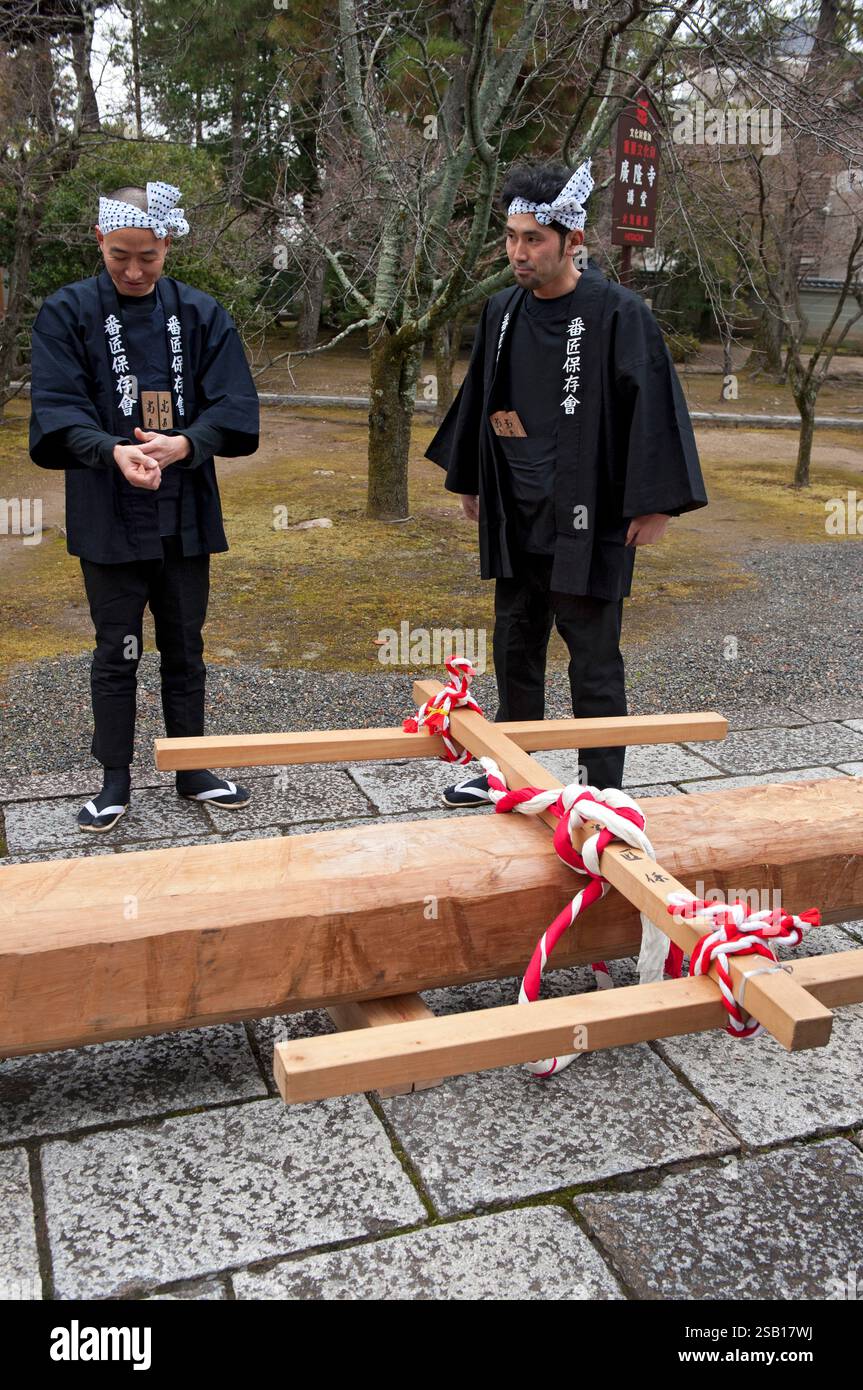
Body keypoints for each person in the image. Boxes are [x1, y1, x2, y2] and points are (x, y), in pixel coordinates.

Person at [425, 160, 708, 807]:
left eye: (533, 239)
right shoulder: (499, 312)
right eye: (510, 237)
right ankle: (510, 772)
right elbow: (479, 398)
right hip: (517, 509)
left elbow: (653, 405)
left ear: (572, 241)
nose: (517, 252)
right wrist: (471, 479)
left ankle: (602, 791)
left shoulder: (618, 314)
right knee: (514, 647)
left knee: (593, 659)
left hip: (591, 517)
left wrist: (657, 504)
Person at [29, 181, 260, 831]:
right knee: (118, 648)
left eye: (148, 258)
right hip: (107, 508)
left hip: (184, 509)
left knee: (186, 644)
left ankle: (191, 767)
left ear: (168, 246)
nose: (133, 271)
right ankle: (114, 779)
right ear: (100, 241)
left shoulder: (202, 314)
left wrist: (187, 442)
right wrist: (110, 450)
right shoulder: (67, 312)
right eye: (120, 256)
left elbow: (235, 408)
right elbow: (57, 408)